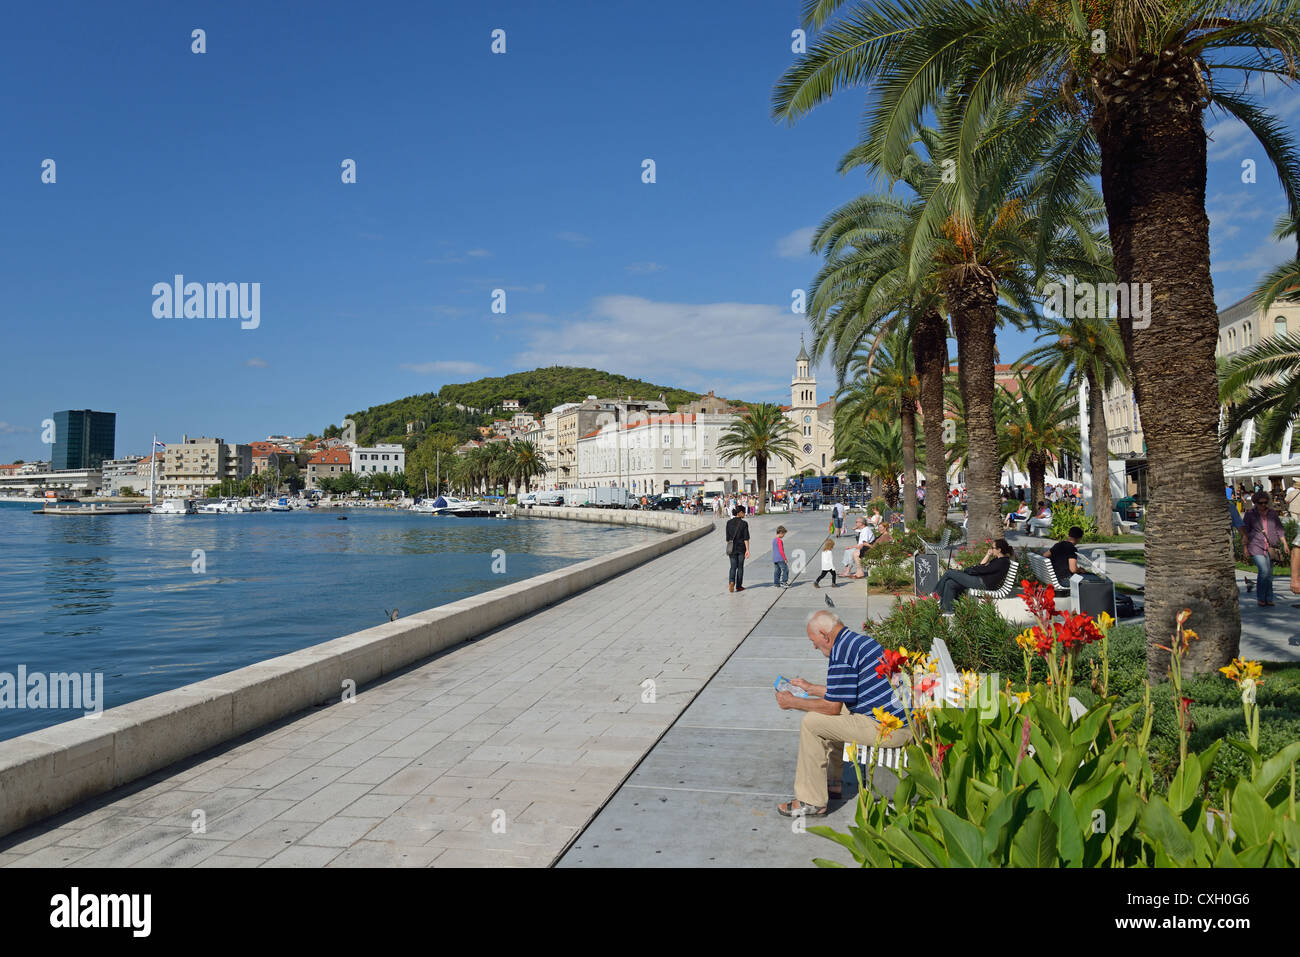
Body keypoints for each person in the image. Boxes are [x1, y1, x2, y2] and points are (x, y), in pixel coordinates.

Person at [774, 610, 910, 817]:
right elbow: (845, 692)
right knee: (833, 715)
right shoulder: (857, 642)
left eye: (814, 640)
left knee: (812, 723)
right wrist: (810, 688)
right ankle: (832, 783)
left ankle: (810, 801)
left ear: (825, 635)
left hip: (890, 729)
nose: (813, 646)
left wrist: (794, 702)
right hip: (901, 721)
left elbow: (832, 707)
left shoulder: (842, 654)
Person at [931, 539, 1015, 613]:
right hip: (980, 580)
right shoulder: (998, 560)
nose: (991, 549)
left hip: (982, 583)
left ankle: (936, 594)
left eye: (993, 548)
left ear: (999, 549)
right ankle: (948, 609)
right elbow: (982, 566)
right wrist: (987, 555)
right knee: (950, 583)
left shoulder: (1002, 562)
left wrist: (971, 569)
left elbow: (984, 570)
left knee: (949, 573)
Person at [1242, 491, 1286, 607]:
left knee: (1269, 574)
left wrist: (1285, 544)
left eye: (1265, 502)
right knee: (1264, 570)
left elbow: (1279, 529)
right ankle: (1261, 598)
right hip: (1256, 545)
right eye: (1261, 503)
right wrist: (1245, 547)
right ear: (1255, 503)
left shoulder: (1272, 513)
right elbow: (1245, 532)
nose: (1263, 505)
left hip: (1271, 546)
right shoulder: (1250, 514)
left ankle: (1269, 597)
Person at [725, 504, 751, 593]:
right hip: (741, 548)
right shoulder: (744, 523)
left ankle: (731, 582)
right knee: (740, 567)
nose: (745, 514)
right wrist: (747, 550)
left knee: (733, 567)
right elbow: (746, 538)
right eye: (744, 512)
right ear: (740, 513)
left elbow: (727, 538)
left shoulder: (728, 523)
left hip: (732, 549)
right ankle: (739, 586)